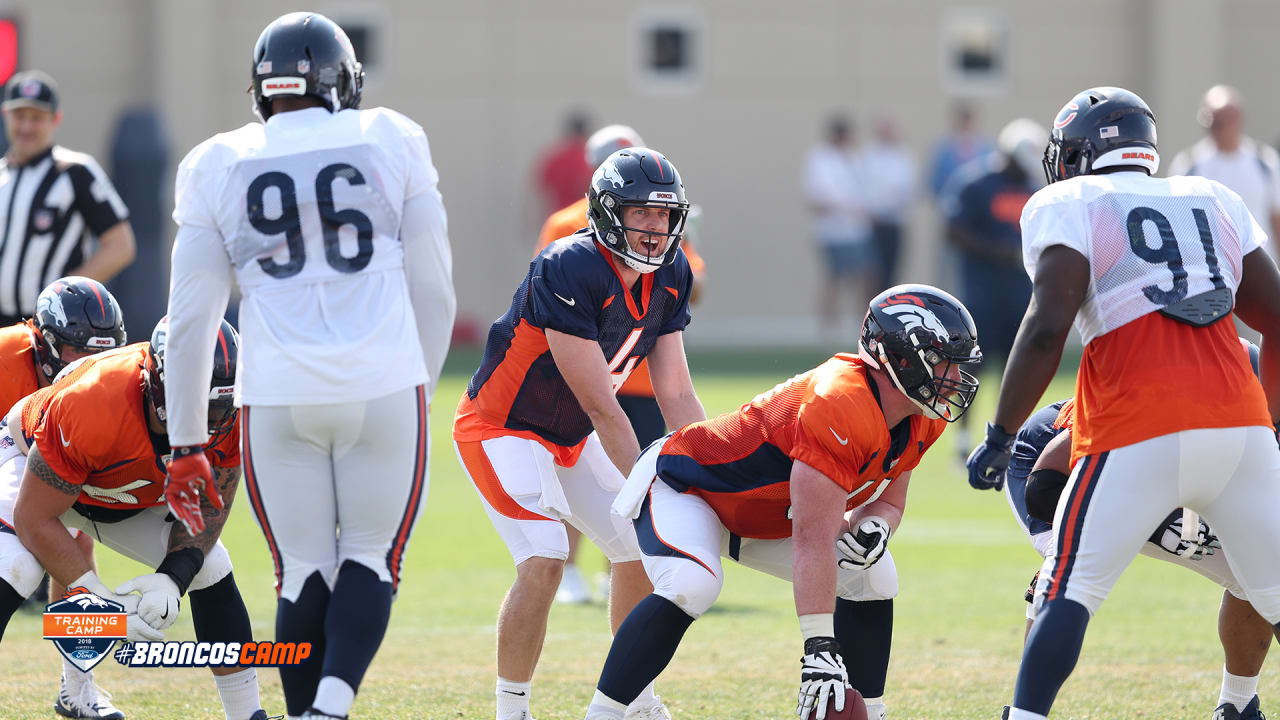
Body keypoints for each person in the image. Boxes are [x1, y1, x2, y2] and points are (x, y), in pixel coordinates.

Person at [161, 13, 456, 720]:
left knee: (299, 573)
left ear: (262, 90)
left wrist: (186, 443)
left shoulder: (216, 160)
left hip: (278, 394)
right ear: (341, 81)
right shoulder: (391, 136)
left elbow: (192, 320)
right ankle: (330, 704)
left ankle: (309, 716)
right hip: (382, 382)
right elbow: (436, 289)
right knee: (370, 558)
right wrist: (419, 383)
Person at [966, 86, 1280, 720]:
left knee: (1069, 590)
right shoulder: (1212, 197)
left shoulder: (1068, 200)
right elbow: (1276, 316)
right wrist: (1267, 422)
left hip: (1138, 426)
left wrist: (999, 437)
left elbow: (1046, 327)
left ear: (1078, 153)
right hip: (1239, 429)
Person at [582, 285, 982, 720]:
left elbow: (890, 501)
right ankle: (604, 714)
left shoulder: (920, 415)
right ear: (901, 358)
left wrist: (878, 527)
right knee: (691, 582)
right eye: (945, 363)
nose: (956, 379)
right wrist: (819, 648)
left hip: (763, 512)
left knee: (873, 573)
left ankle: (870, 710)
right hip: (687, 486)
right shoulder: (839, 402)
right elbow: (812, 539)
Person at [455, 146, 705, 720]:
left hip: (569, 437)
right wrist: (656, 483)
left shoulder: (672, 272)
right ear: (607, 211)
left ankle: (630, 698)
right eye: (641, 213)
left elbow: (677, 395)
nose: (654, 228)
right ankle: (511, 710)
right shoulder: (568, 265)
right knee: (545, 558)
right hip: (503, 429)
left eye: (664, 216)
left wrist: (713, 471)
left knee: (640, 548)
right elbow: (600, 404)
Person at [0, 318, 272, 720]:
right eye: (201, 406)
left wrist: (174, 576)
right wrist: (97, 597)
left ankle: (247, 714)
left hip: (121, 486)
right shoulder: (94, 402)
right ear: (158, 386)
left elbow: (211, 507)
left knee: (210, 567)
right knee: (19, 567)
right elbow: (34, 519)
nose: (210, 423)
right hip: (31, 461)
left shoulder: (227, 417)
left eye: (219, 408)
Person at [1005, 383, 1274, 719]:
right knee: (1067, 570)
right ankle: (1024, 712)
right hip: (1059, 465)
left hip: (1171, 470)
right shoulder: (1178, 396)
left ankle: (1237, 705)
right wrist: (1155, 521)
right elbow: (1044, 491)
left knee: (1256, 574)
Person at [535, 124, 708, 605]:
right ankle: (571, 570)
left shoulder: (664, 237)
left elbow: (690, 287)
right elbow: (544, 300)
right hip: (580, 378)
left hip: (639, 375)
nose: (653, 221)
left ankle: (633, 573)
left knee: (638, 491)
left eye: (662, 212)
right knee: (578, 486)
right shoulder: (566, 235)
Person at [0, 277, 125, 718]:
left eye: (104, 350)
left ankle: (78, 687)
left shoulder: (103, 386)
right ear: (45, 341)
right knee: (19, 559)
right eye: (79, 349)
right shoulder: (6, 356)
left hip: (36, 459)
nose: (93, 362)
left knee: (74, 544)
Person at [941, 118, 1045, 460]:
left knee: (1015, 371)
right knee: (970, 369)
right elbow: (954, 231)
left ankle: (1009, 441)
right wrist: (999, 252)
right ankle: (962, 439)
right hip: (982, 294)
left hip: (1020, 295)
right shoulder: (975, 184)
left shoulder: (1033, 188)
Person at [0, 70, 136, 326]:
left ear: (55, 119)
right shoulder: (2, 175)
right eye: (20, 116)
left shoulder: (76, 172)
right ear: (6, 116)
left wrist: (66, 297)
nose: (27, 126)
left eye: (37, 117)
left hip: (49, 328)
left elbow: (121, 246)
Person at [1168, 86, 1280, 261]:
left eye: (1225, 120)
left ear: (1238, 119)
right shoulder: (1188, 165)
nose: (1218, 127)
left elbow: (1276, 218)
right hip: (1214, 268)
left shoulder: (1265, 161)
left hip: (1261, 265)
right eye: (1212, 120)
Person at [804, 114, 873, 343]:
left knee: (863, 279)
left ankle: (861, 329)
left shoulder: (854, 158)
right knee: (834, 280)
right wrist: (843, 207)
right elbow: (815, 199)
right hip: (833, 233)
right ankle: (828, 332)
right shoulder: (820, 159)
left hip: (857, 231)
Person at [858, 115, 916, 289]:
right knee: (872, 272)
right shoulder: (867, 154)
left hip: (896, 221)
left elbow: (910, 188)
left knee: (892, 271)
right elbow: (861, 186)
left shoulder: (903, 155)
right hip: (872, 224)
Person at [534, 111, 593, 218]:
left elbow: (543, 186)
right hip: (583, 218)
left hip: (559, 216)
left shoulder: (556, 157)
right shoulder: (590, 157)